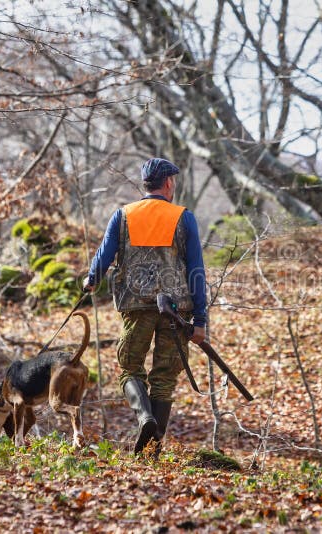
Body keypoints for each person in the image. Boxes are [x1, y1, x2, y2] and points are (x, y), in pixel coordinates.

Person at [83, 158, 207, 455]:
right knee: (164, 376)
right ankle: (152, 450)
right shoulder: (183, 217)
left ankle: (145, 417)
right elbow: (196, 270)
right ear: (167, 183)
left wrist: (91, 280)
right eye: (173, 181)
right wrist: (201, 319)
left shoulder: (123, 215)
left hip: (136, 306)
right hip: (177, 311)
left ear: (145, 184)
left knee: (129, 367)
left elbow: (103, 256)